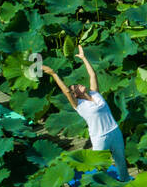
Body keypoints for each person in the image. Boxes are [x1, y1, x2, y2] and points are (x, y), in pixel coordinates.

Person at [40, 45, 128, 179]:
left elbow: (92, 74)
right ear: (75, 94)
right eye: (76, 87)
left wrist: (83, 58)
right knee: (99, 166)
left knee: (121, 162)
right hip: (100, 138)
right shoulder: (79, 105)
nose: (79, 85)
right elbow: (66, 91)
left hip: (114, 131)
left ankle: (125, 181)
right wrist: (53, 74)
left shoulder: (95, 93)